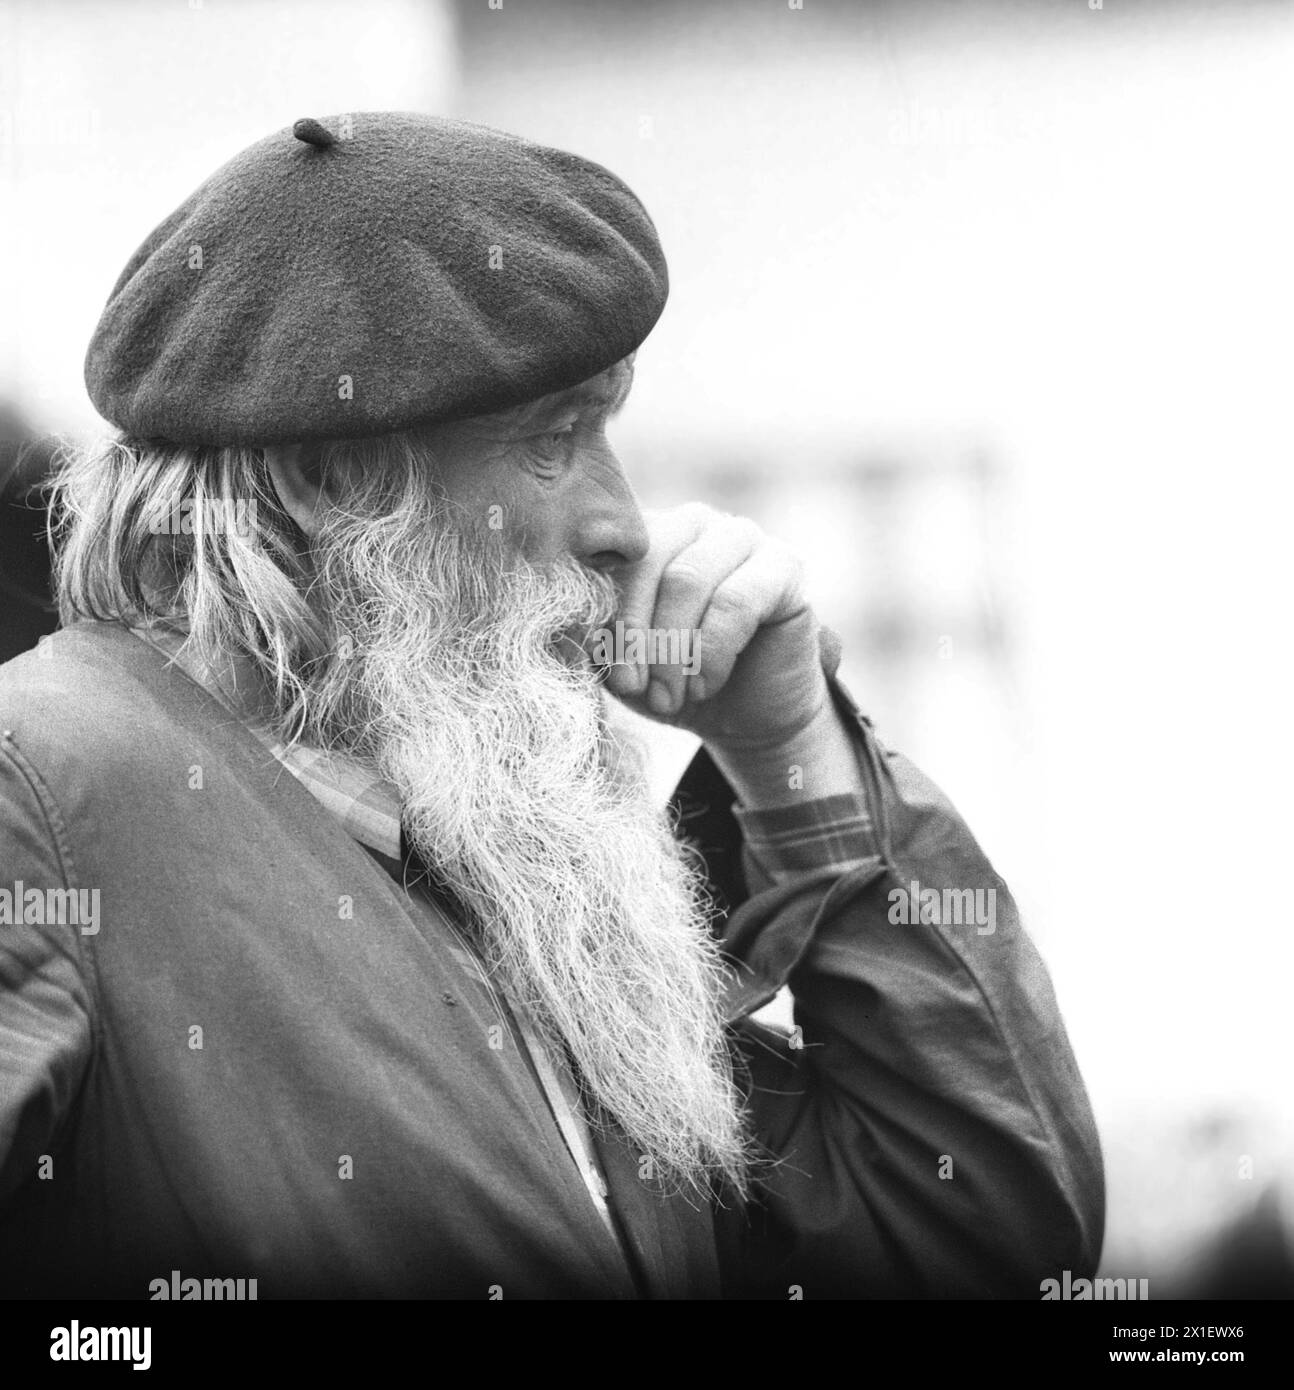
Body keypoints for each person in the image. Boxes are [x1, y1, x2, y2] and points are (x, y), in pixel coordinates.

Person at [0, 112, 1102, 1299]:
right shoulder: (38, 785)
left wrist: (788, 750)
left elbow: (976, 1242)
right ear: (328, 481)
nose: (622, 521)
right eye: (553, 442)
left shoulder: (511, 858)